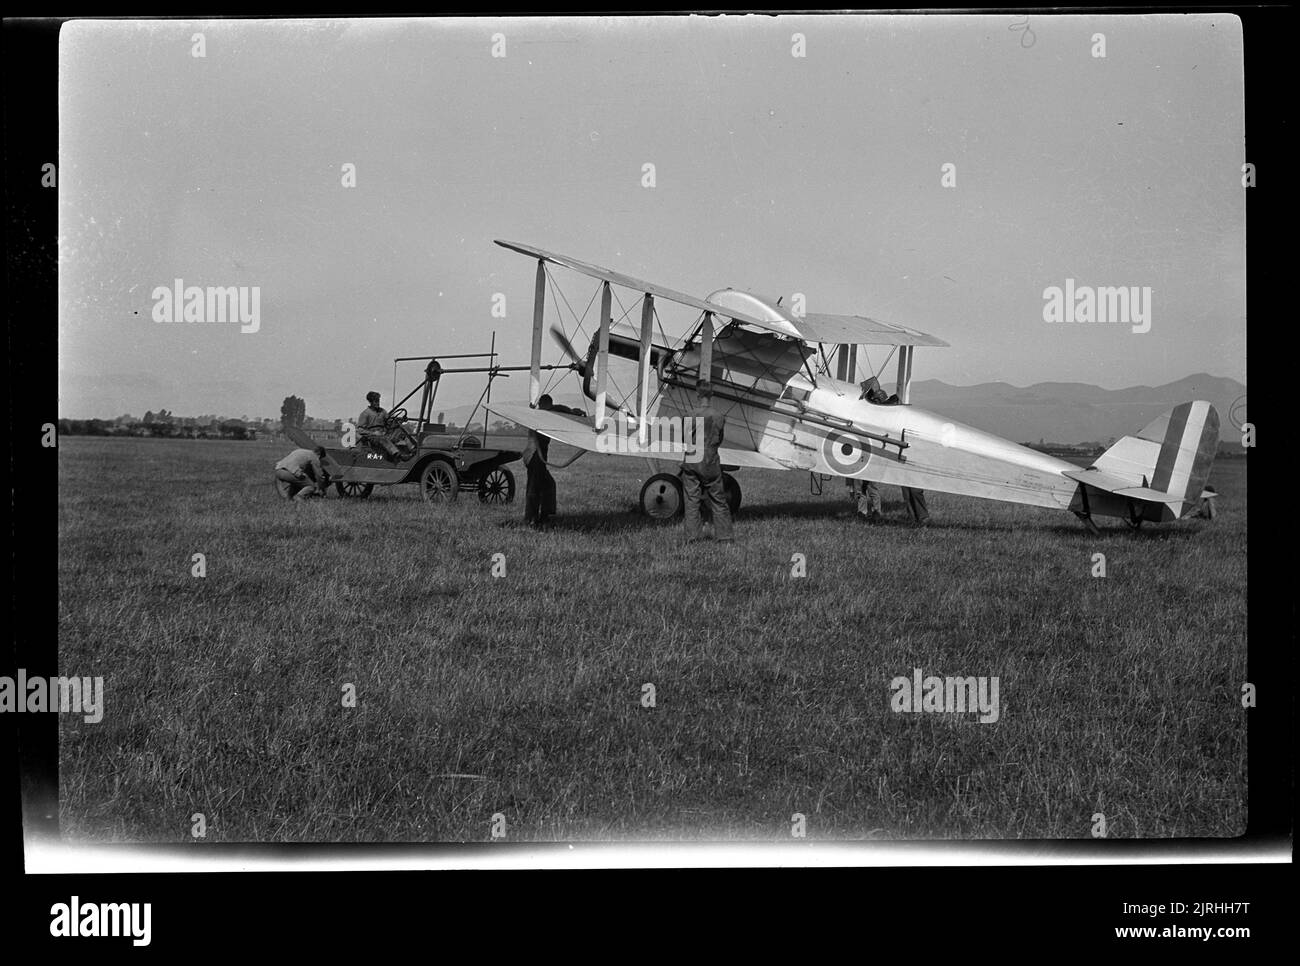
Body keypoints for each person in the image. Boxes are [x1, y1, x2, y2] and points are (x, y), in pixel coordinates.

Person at [682, 381, 733, 543]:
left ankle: (692, 537)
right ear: (712, 395)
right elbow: (719, 439)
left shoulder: (689, 415)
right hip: (710, 461)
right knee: (718, 500)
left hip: (691, 459)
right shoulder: (719, 416)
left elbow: (686, 439)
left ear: (697, 394)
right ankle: (724, 537)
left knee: (692, 500)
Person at [357, 391, 401, 460]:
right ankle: (396, 454)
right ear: (371, 402)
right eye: (375, 401)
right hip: (373, 437)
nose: (378, 403)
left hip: (384, 434)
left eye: (378, 401)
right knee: (381, 438)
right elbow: (360, 430)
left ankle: (414, 448)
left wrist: (397, 422)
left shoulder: (383, 411)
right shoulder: (365, 414)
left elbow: (389, 422)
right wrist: (373, 433)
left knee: (400, 431)